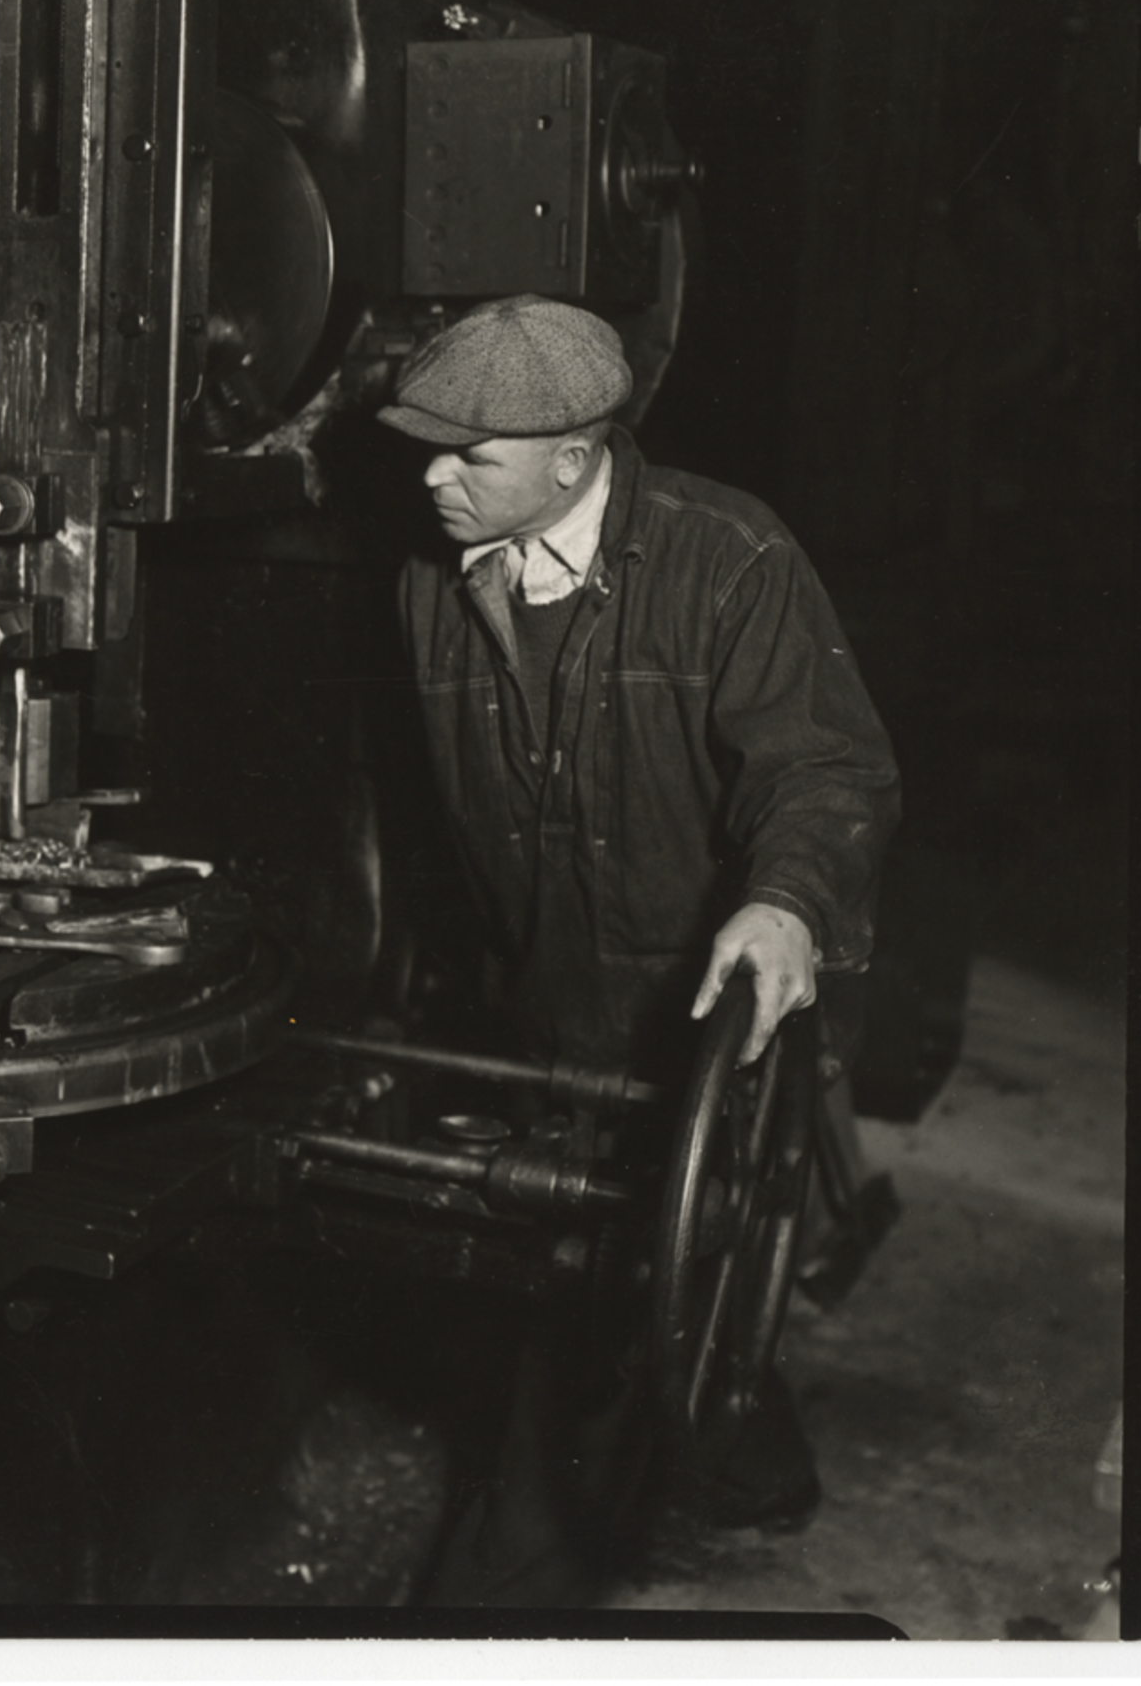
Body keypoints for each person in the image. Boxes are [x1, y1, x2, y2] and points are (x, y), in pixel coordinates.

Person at [377, 293, 900, 1600]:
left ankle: (491, 1611)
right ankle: (750, 1462)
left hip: (709, 1012)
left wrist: (787, 902)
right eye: (425, 449)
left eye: (467, 455)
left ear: (573, 460)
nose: (432, 478)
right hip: (545, 1006)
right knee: (671, 1279)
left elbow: (826, 767)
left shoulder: (729, 559)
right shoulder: (429, 586)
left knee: (609, 1315)